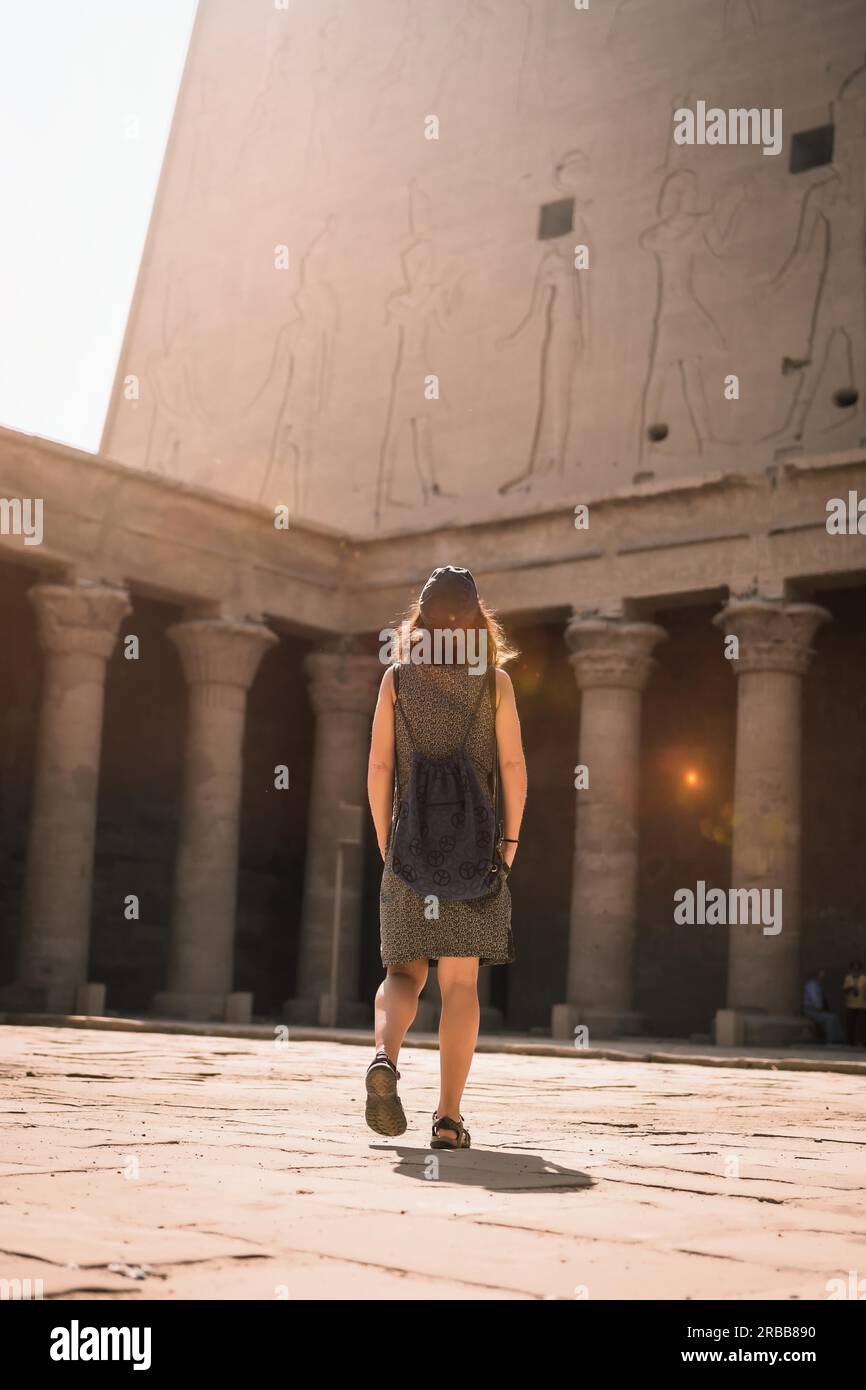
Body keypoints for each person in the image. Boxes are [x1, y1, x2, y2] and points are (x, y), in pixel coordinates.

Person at [366, 566, 527, 1148]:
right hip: (474, 854)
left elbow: (380, 768)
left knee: (402, 972)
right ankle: (448, 1119)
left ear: (423, 619)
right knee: (460, 985)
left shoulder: (397, 681)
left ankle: (384, 1056)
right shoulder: (496, 683)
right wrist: (508, 844)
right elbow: (511, 768)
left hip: (409, 848)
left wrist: (389, 843)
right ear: (477, 619)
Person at [803, 969, 844, 1044]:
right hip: (811, 1010)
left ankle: (839, 1040)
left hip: (817, 1010)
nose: (823, 976)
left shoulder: (818, 985)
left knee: (834, 1017)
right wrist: (820, 1008)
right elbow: (814, 999)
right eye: (821, 974)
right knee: (830, 1019)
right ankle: (831, 1041)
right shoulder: (812, 985)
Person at [842, 959, 866, 1047]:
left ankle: (863, 1042)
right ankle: (850, 1042)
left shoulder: (864, 979)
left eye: (857, 969)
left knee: (862, 1025)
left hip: (862, 1005)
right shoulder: (848, 978)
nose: (855, 971)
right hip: (850, 1005)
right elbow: (844, 990)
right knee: (850, 1024)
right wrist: (850, 988)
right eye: (854, 969)